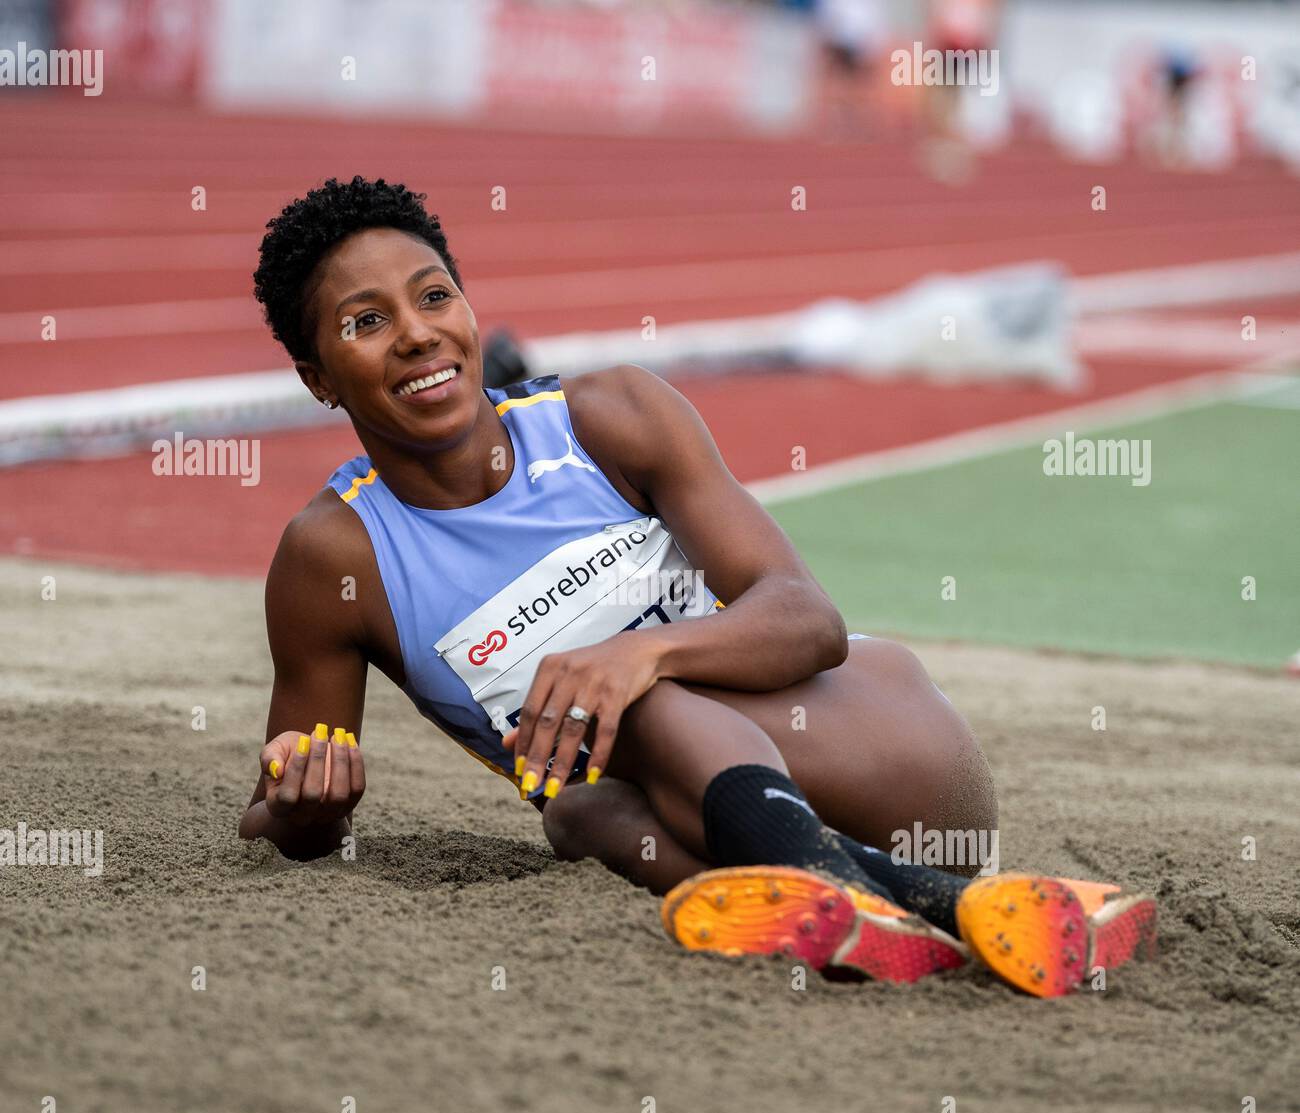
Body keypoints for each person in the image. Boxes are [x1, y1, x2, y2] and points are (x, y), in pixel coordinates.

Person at [239, 176, 1155, 999]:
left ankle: (936, 896)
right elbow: (286, 812)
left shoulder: (610, 417)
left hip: (889, 753)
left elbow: (808, 617)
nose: (418, 335)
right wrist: (306, 808)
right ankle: (861, 915)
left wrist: (639, 655)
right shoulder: (334, 559)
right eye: (367, 323)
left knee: (629, 700)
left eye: (436, 296)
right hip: (695, 826)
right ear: (319, 378)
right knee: (580, 812)